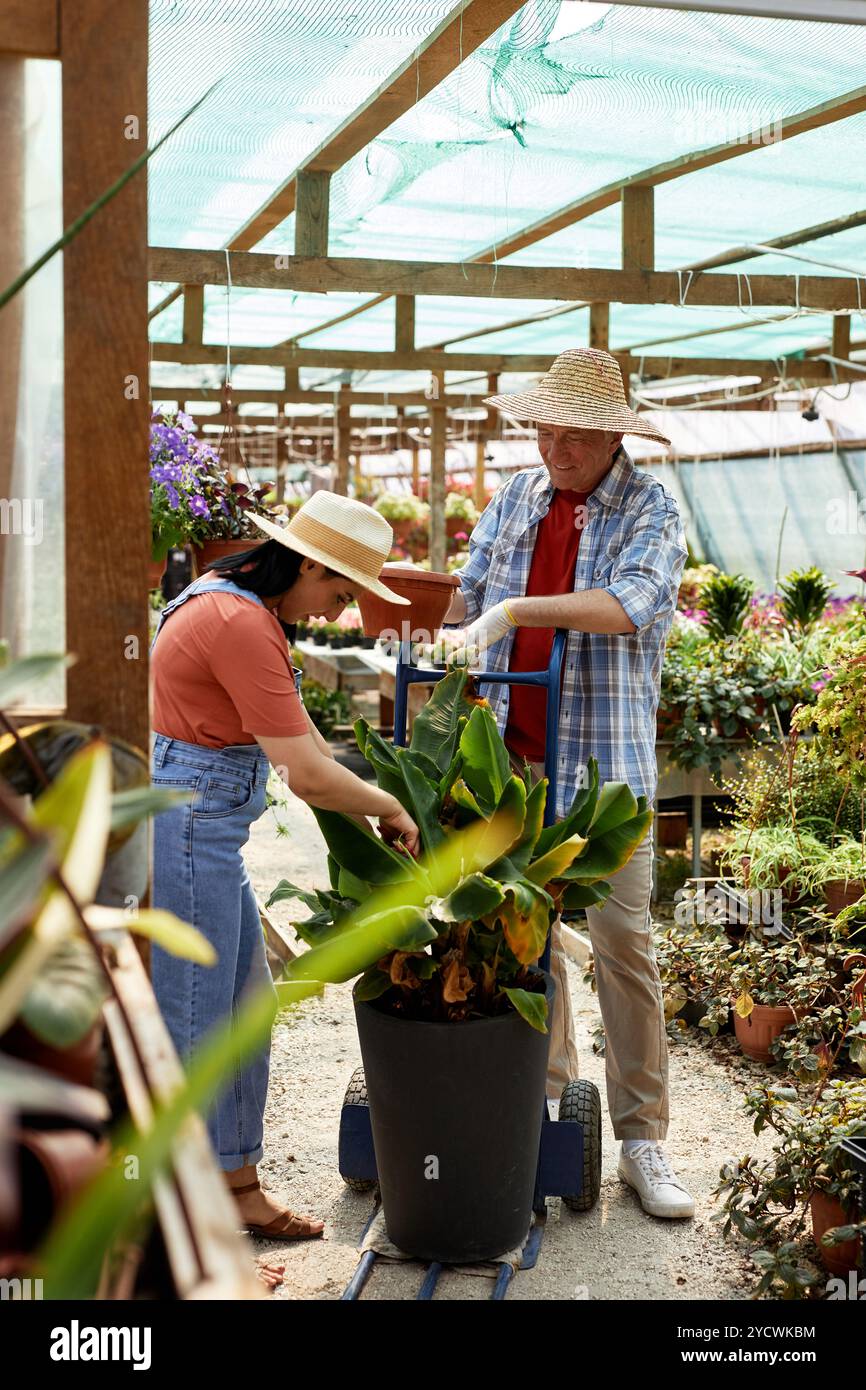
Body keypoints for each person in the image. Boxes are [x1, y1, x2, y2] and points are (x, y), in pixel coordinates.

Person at [445, 347, 695, 1220]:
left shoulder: (650, 509)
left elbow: (630, 604)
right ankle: (550, 1106)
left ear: (610, 434)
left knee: (624, 947)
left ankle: (643, 1140)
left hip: (606, 776)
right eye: (543, 430)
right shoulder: (515, 497)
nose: (553, 447)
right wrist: (451, 640)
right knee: (527, 938)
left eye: (571, 435)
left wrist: (513, 613)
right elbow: (465, 594)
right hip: (514, 769)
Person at [149, 491, 420, 1241]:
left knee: (239, 1010)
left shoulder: (223, 598)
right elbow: (305, 771)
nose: (338, 612)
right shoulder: (238, 624)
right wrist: (391, 807)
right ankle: (187, 1221)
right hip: (189, 825)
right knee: (197, 1023)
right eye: (338, 592)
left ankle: (236, 1187)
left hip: (205, 827)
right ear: (303, 563)